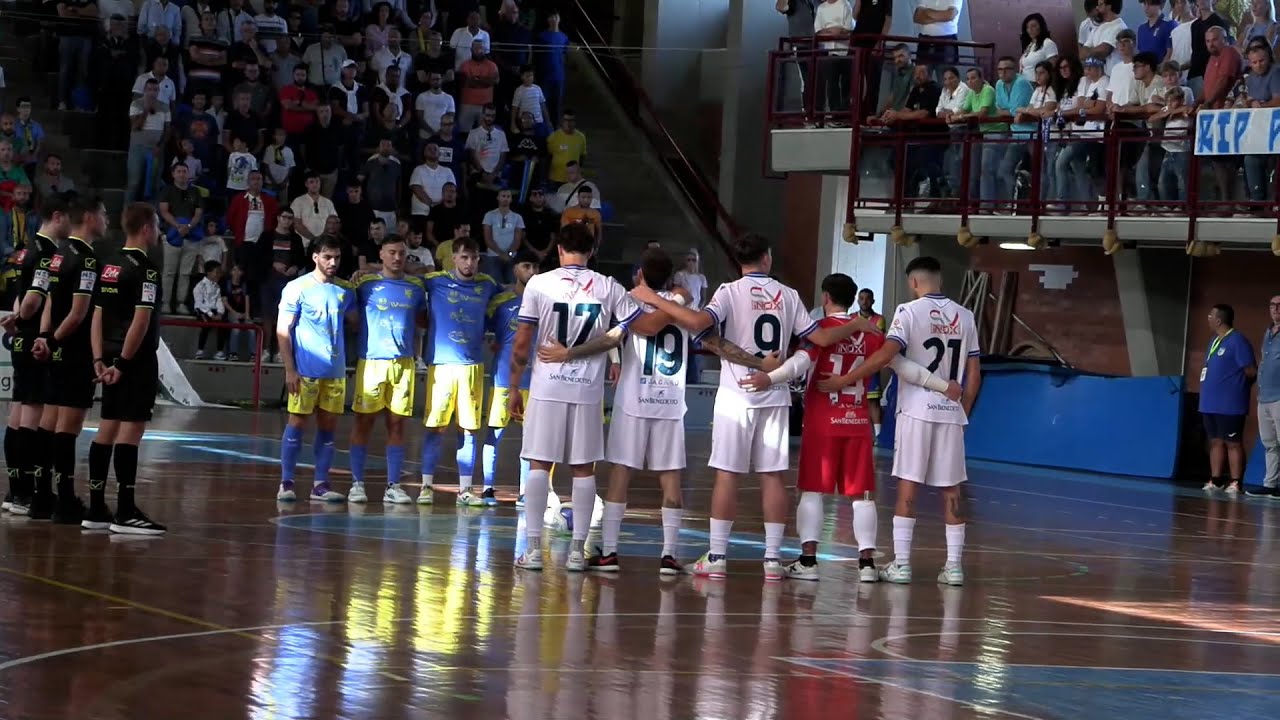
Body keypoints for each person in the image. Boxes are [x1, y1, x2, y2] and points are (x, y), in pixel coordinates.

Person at [629, 232, 876, 579]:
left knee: (727, 475)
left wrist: (653, 297)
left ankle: (717, 556)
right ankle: (773, 560)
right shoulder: (788, 295)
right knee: (772, 476)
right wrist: (855, 323)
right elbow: (819, 337)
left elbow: (699, 323)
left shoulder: (729, 291)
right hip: (774, 395)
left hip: (737, 394)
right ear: (767, 258)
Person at [739, 273, 960, 582]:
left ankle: (808, 561)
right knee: (862, 495)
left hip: (822, 423)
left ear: (825, 298)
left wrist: (768, 378)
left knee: (813, 491)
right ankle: (867, 566)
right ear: (854, 298)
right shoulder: (871, 335)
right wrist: (943, 385)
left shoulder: (820, 333)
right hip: (857, 423)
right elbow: (905, 368)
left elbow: (799, 364)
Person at [507, 223, 677, 572]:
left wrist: (513, 386)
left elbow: (522, 341)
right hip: (587, 389)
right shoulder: (608, 286)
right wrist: (674, 302)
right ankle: (576, 553)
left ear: (558, 250)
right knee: (584, 469)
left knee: (539, 463)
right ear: (592, 251)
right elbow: (643, 327)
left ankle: (534, 551)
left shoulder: (539, 283)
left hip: (548, 386)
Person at [537, 247, 703, 575]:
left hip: (634, 400)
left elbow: (612, 337)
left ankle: (610, 552)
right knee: (671, 478)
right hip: (670, 401)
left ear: (640, 273)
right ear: (671, 276)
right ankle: (669, 555)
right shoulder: (682, 304)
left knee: (620, 473)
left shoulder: (631, 302)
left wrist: (571, 354)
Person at [824, 256, 981, 586]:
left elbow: (888, 353)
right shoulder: (966, 316)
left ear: (913, 282)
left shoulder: (908, 312)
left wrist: (849, 377)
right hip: (950, 412)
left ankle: (903, 563)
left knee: (908, 482)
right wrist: (963, 411)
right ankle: (954, 567)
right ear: (939, 279)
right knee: (952, 487)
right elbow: (974, 374)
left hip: (916, 410)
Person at [82, 203, 166, 534]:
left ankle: (96, 506)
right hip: (135, 360)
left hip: (109, 356)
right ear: (146, 228)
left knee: (107, 426)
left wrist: (99, 359)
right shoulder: (147, 269)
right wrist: (122, 363)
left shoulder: (110, 265)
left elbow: (97, 314)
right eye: (156, 225)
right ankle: (126, 511)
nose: (158, 231)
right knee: (131, 429)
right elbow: (141, 321)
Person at [30, 195, 109, 524]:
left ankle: (40, 496)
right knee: (68, 427)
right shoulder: (87, 260)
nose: (107, 220)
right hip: (74, 350)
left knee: (48, 421)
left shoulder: (56, 255)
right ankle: (64, 500)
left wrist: (45, 338)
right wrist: (57, 339)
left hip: (53, 347)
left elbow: (47, 303)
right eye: (103, 214)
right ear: (89, 217)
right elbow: (78, 313)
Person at [0, 192, 71, 516]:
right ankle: (24, 492)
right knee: (31, 412)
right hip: (33, 339)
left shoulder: (27, 250)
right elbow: (30, 300)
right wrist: (28, 321)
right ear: (58, 217)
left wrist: (16, 319)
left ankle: (15, 490)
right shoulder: (46, 253)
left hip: (20, 338)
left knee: (17, 410)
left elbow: (18, 300)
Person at [419, 236, 501, 505]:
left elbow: (508, 298)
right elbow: (405, 277)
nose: (469, 263)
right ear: (453, 258)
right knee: (435, 427)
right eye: (464, 257)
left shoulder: (487, 285)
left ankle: (465, 490)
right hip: (441, 365)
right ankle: (426, 487)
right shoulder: (434, 280)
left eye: (474, 258)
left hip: (472, 367)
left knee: (468, 429)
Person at [275, 235, 357, 503]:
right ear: (315, 257)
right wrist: (290, 369)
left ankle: (320, 484)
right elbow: (282, 330)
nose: (333, 262)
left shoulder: (345, 291)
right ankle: (286, 482)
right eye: (327, 257)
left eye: (337, 258)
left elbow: (355, 320)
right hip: (305, 371)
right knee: (297, 423)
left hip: (335, 372)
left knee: (328, 428)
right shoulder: (296, 288)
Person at [348, 235, 428, 505]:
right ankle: (357, 484)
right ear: (381, 254)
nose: (397, 258)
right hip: (371, 361)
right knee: (364, 422)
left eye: (401, 253)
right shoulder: (365, 283)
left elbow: (423, 319)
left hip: (403, 363)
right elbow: (349, 313)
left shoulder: (416, 287)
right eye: (392, 252)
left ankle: (393, 486)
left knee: (397, 424)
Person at [481, 250, 538, 506]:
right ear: (515, 270)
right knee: (495, 433)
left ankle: (526, 491)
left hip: (534, 382)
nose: (532, 271)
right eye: (527, 266)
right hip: (503, 380)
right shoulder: (500, 301)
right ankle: (487, 488)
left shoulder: (544, 302)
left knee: (532, 441)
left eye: (536, 267)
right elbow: (483, 325)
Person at [1199, 304, 1256, 495]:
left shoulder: (1237, 341)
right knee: (1214, 441)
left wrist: (1236, 389)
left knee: (1233, 442)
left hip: (1230, 404)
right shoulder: (1214, 341)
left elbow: (1250, 371)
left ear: (1219, 319)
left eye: (1210, 315)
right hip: (1210, 403)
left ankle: (1236, 481)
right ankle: (1216, 479)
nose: (1207, 318)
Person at [1252, 295, 1280, 498]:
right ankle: (1270, 484)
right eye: (1273, 305)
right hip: (1265, 396)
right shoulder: (1268, 333)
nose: (1276, 309)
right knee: (1269, 442)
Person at [856, 287, 887, 434]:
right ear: (857, 300)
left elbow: (876, 338)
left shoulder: (879, 319)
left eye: (867, 298)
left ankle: (878, 433)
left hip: (871, 364)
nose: (864, 301)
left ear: (873, 301)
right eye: (861, 298)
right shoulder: (851, 317)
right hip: (854, 365)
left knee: (873, 401)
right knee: (855, 400)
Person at [192, 259, 227, 359]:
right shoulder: (200, 286)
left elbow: (219, 300)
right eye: (216, 272)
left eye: (220, 272)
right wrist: (211, 314)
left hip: (214, 310)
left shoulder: (217, 287)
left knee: (224, 324)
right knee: (206, 324)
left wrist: (220, 313)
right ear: (209, 272)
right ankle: (200, 350)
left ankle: (219, 351)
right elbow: (200, 303)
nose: (218, 275)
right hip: (202, 310)